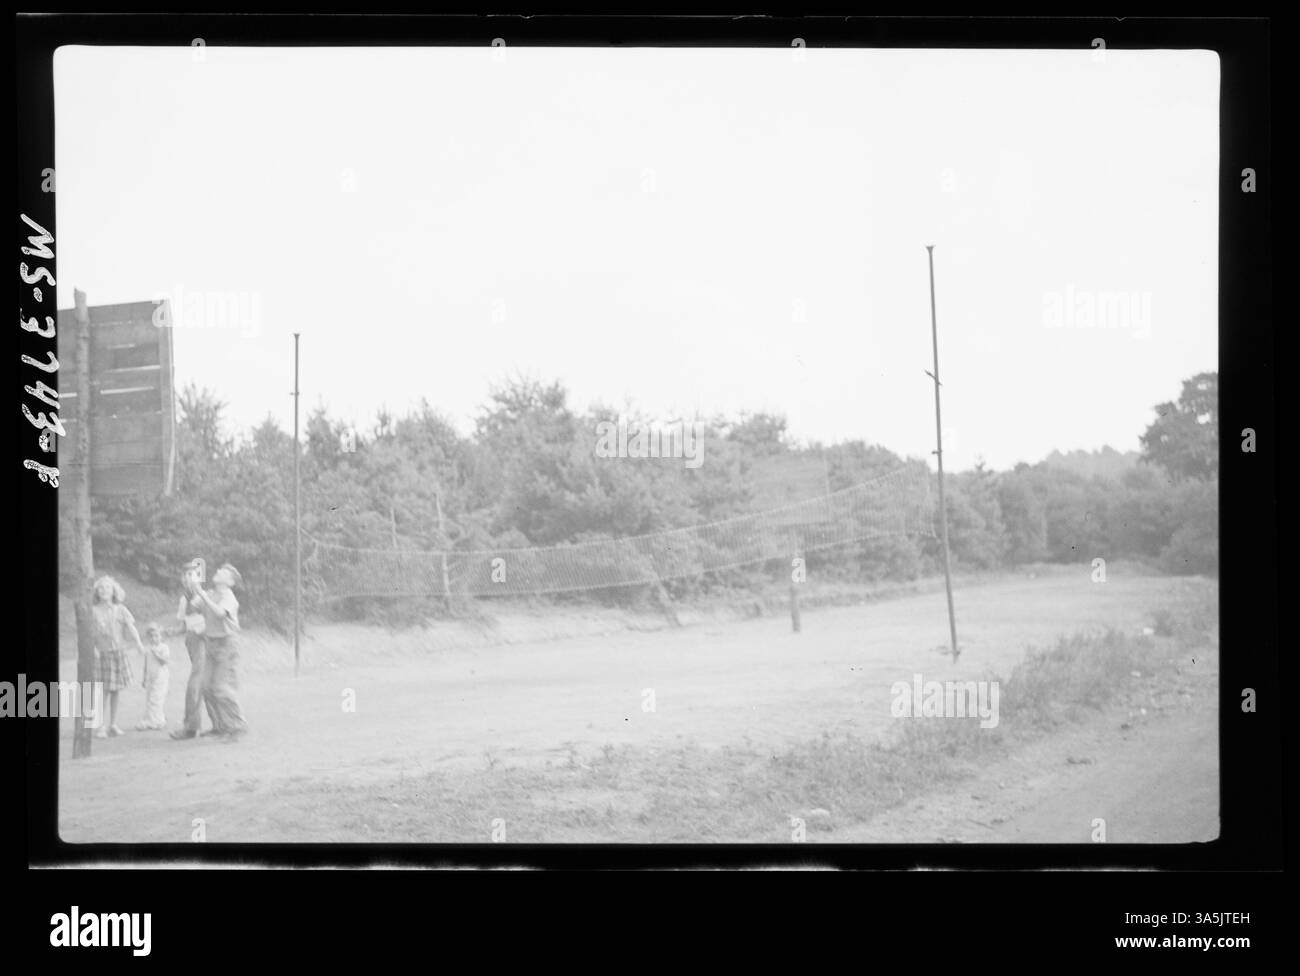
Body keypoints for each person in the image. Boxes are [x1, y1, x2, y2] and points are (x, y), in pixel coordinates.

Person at [194, 563, 247, 742]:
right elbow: (193, 607)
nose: (218, 571)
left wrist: (202, 594)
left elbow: (219, 614)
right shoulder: (210, 594)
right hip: (212, 643)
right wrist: (191, 587)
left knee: (221, 687)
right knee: (206, 687)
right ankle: (219, 726)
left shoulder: (228, 596)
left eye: (224, 572)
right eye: (219, 570)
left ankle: (237, 726)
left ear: (230, 582)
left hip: (227, 644)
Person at [90, 575, 145, 738]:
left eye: (107, 587)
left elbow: (131, 627)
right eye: (100, 588)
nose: (104, 591)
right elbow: (89, 633)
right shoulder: (93, 610)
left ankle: (113, 724)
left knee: (116, 690)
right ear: (96, 592)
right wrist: (93, 648)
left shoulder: (120, 609)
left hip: (118, 653)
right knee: (103, 691)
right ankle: (100, 726)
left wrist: (139, 643)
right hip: (102, 654)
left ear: (114, 591)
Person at [170, 560, 220, 740]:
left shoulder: (204, 596)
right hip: (191, 640)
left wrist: (203, 631)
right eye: (184, 576)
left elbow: (214, 619)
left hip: (203, 639)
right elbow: (183, 626)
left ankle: (191, 727)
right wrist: (169, 632)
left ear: (199, 578)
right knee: (202, 684)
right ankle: (213, 725)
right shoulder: (184, 599)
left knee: (195, 684)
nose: (187, 579)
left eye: (191, 575)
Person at [135, 623, 170, 730]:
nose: (154, 639)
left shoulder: (164, 647)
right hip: (150, 677)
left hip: (160, 677)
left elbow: (164, 661)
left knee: (156, 698)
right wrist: (144, 678)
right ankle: (154, 718)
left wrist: (156, 653)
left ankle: (157, 721)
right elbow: (146, 664)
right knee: (150, 698)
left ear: (161, 637)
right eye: (151, 636)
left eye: (156, 636)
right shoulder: (149, 649)